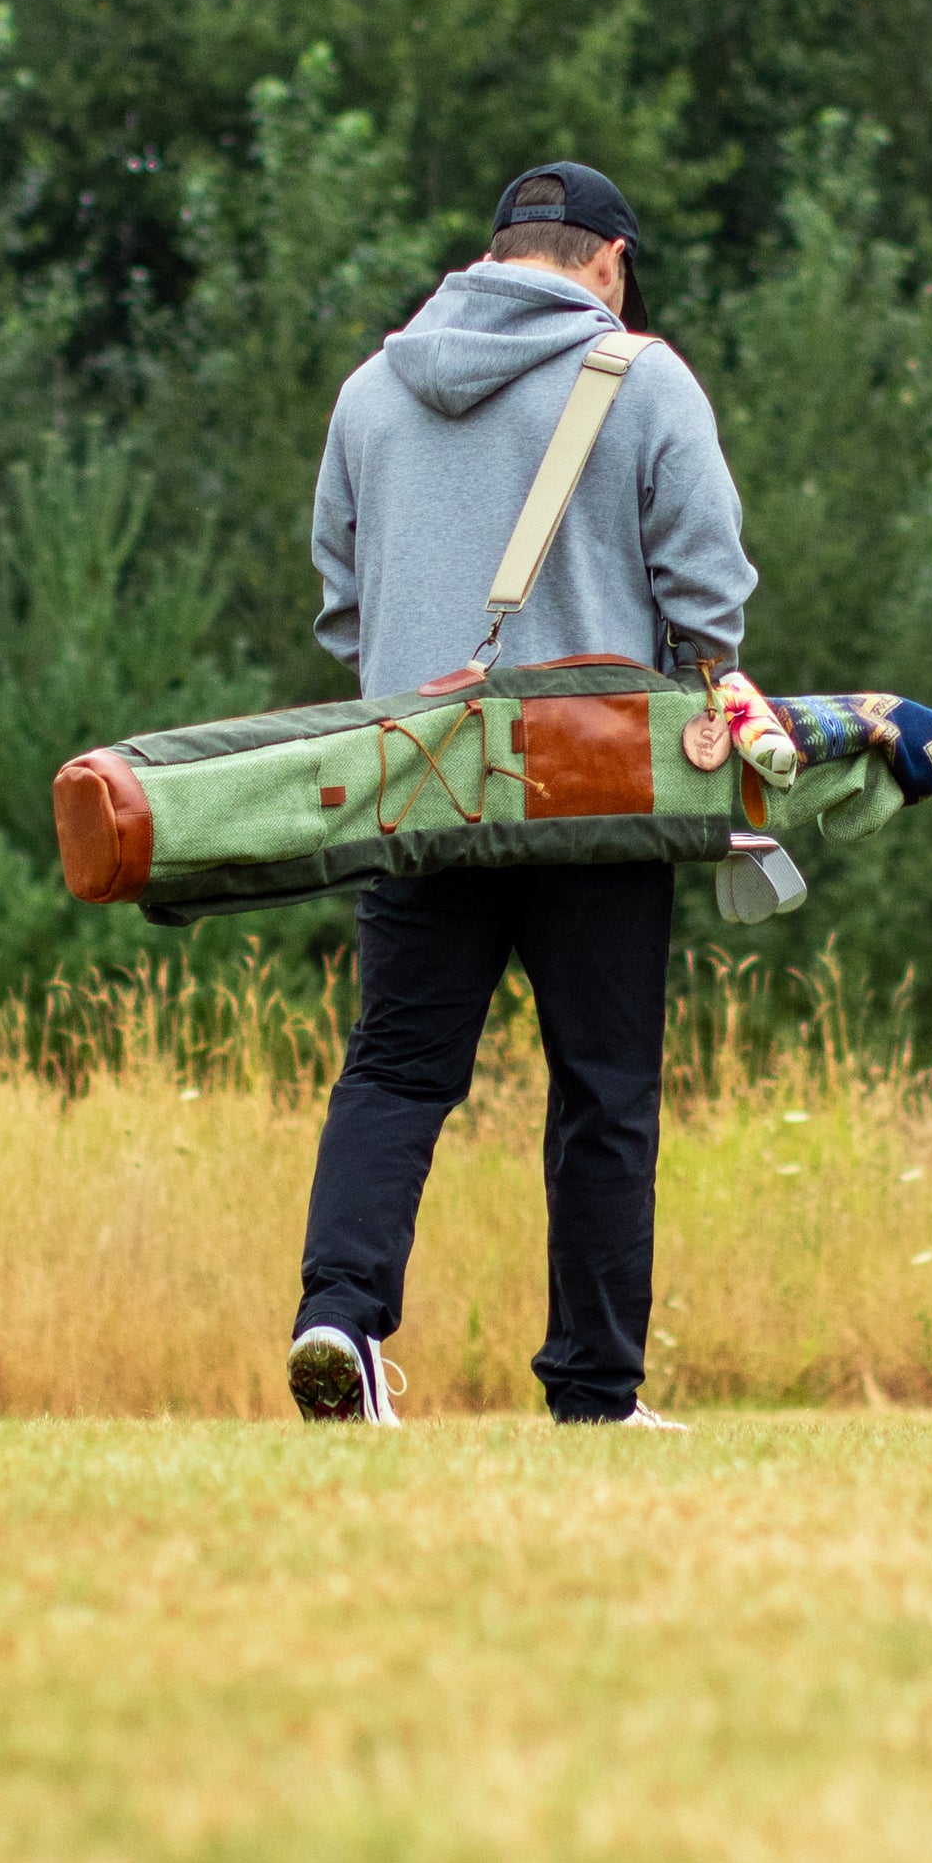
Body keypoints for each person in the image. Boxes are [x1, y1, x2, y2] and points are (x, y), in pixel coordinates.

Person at [286, 162, 758, 1428]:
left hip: (421, 775)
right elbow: (709, 598)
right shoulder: (643, 376)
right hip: (595, 788)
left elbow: (344, 601)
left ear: (492, 253)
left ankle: (339, 1320)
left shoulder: (371, 392)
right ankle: (595, 1392)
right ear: (608, 260)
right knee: (603, 1086)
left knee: (393, 1070)